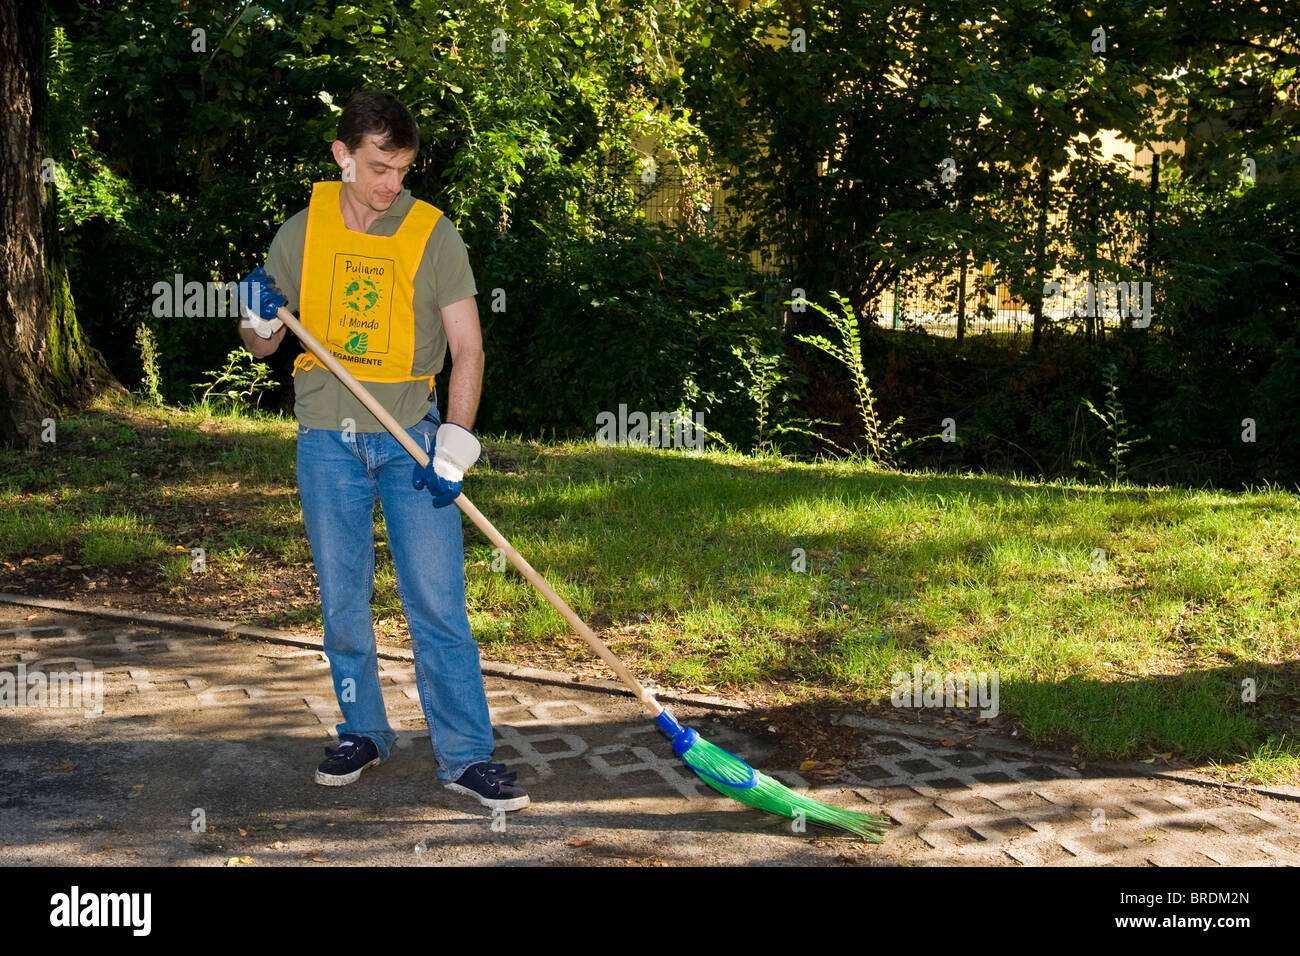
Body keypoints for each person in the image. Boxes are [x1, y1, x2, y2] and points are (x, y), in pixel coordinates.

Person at [235, 91, 527, 812]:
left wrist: (452, 447)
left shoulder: (434, 235)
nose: (392, 184)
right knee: (342, 603)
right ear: (343, 156)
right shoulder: (300, 236)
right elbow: (265, 346)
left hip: (412, 443)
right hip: (325, 446)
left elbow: (468, 348)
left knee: (437, 603)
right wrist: (254, 313)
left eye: (401, 169)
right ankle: (361, 730)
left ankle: (465, 756)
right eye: (379, 168)